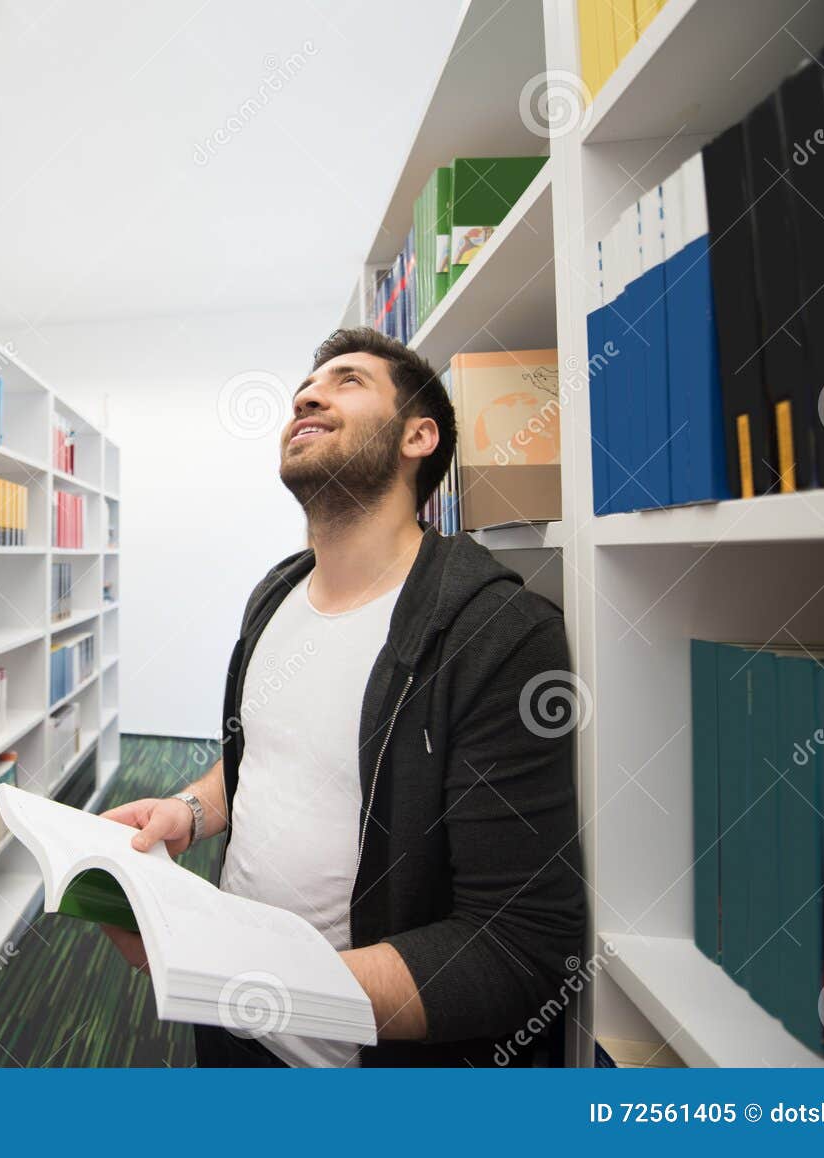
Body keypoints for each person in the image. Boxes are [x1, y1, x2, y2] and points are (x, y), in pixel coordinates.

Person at [102, 327, 586, 1067]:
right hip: (233, 1029)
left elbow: (516, 948)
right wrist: (190, 811)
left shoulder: (495, 633)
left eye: (348, 381)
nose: (308, 393)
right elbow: (259, 759)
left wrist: (240, 970)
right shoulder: (275, 594)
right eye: (306, 385)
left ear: (418, 435)